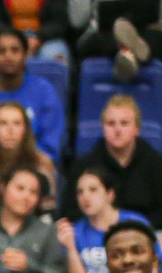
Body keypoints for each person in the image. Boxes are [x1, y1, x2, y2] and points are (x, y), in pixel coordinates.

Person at [59, 168, 151, 273]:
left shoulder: (135, 223)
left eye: (93, 190)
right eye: (80, 192)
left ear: (110, 194)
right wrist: (70, 247)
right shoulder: (75, 232)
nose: (85, 197)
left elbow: (152, 271)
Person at [0, 30, 65, 162]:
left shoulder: (44, 91)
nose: (8, 56)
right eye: (1, 51)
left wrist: (24, 162)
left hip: (33, 164)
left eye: (15, 50)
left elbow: (52, 141)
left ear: (26, 55)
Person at [63, 94, 162, 227]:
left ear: (137, 129)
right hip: (96, 236)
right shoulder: (84, 165)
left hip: (146, 235)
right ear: (103, 128)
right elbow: (70, 211)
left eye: (124, 123)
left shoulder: (156, 164)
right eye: (111, 124)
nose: (117, 130)